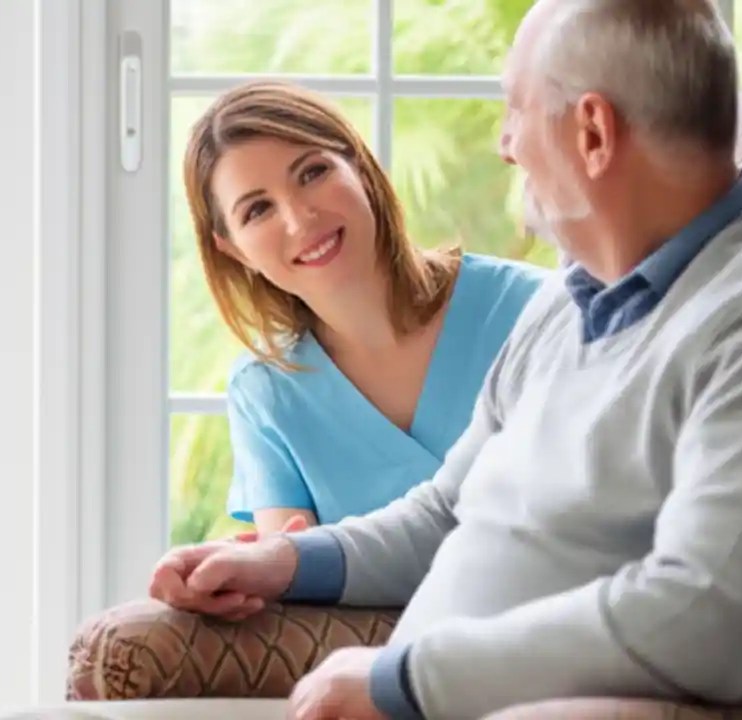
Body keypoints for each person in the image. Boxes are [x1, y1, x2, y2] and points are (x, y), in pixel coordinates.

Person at [149, 1, 742, 718]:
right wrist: (283, 562)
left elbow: (703, 624)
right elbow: (446, 512)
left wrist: (403, 680)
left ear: (592, 131)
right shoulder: (573, 301)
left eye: (517, 110)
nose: (505, 144)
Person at [183, 81, 547, 537]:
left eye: (312, 173)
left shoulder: (533, 309)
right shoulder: (266, 393)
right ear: (234, 251)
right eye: (258, 210)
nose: (299, 219)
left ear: (359, 167)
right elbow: (293, 575)